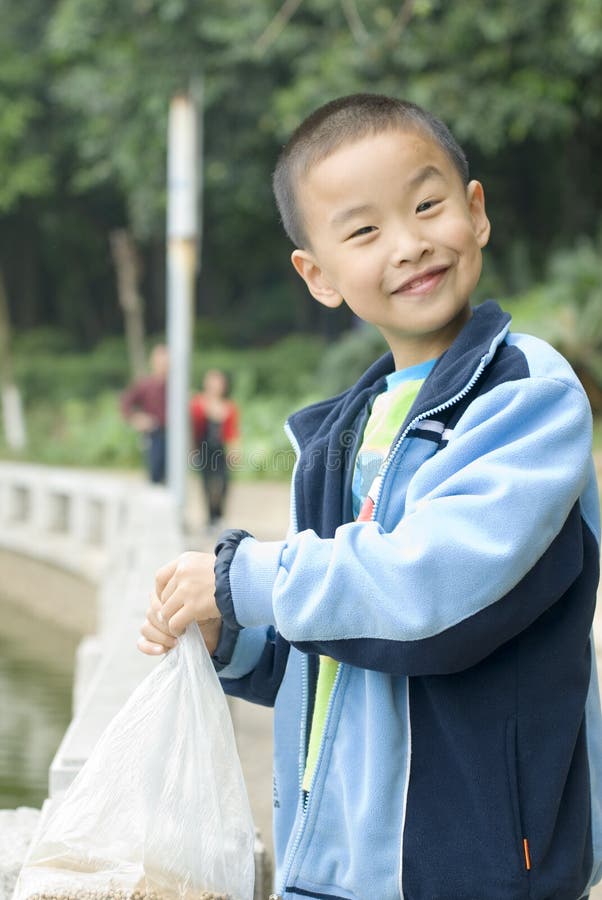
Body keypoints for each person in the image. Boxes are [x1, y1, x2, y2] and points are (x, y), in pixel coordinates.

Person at [137, 94, 602, 899]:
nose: (410, 243)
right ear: (318, 275)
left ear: (476, 211)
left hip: (475, 868)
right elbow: (335, 645)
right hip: (332, 866)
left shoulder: (523, 397)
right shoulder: (337, 439)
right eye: (364, 231)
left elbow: (428, 595)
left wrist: (251, 575)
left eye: (427, 206)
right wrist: (230, 637)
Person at [190, 369, 240, 529]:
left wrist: (235, 450)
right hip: (203, 450)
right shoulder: (197, 403)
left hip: (221, 450)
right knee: (207, 484)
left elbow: (232, 432)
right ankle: (210, 518)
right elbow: (192, 428)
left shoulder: (229, 407)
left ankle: (219, 515)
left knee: (224, 483)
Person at [120, 344, 168, 484]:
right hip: (155, 434)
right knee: (155, 473)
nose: (164, 366)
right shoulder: (145, 385)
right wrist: (136, 419)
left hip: (174, 435)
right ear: (153, 363)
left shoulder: (175, 385)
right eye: (161, 362)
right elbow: (125, 403)